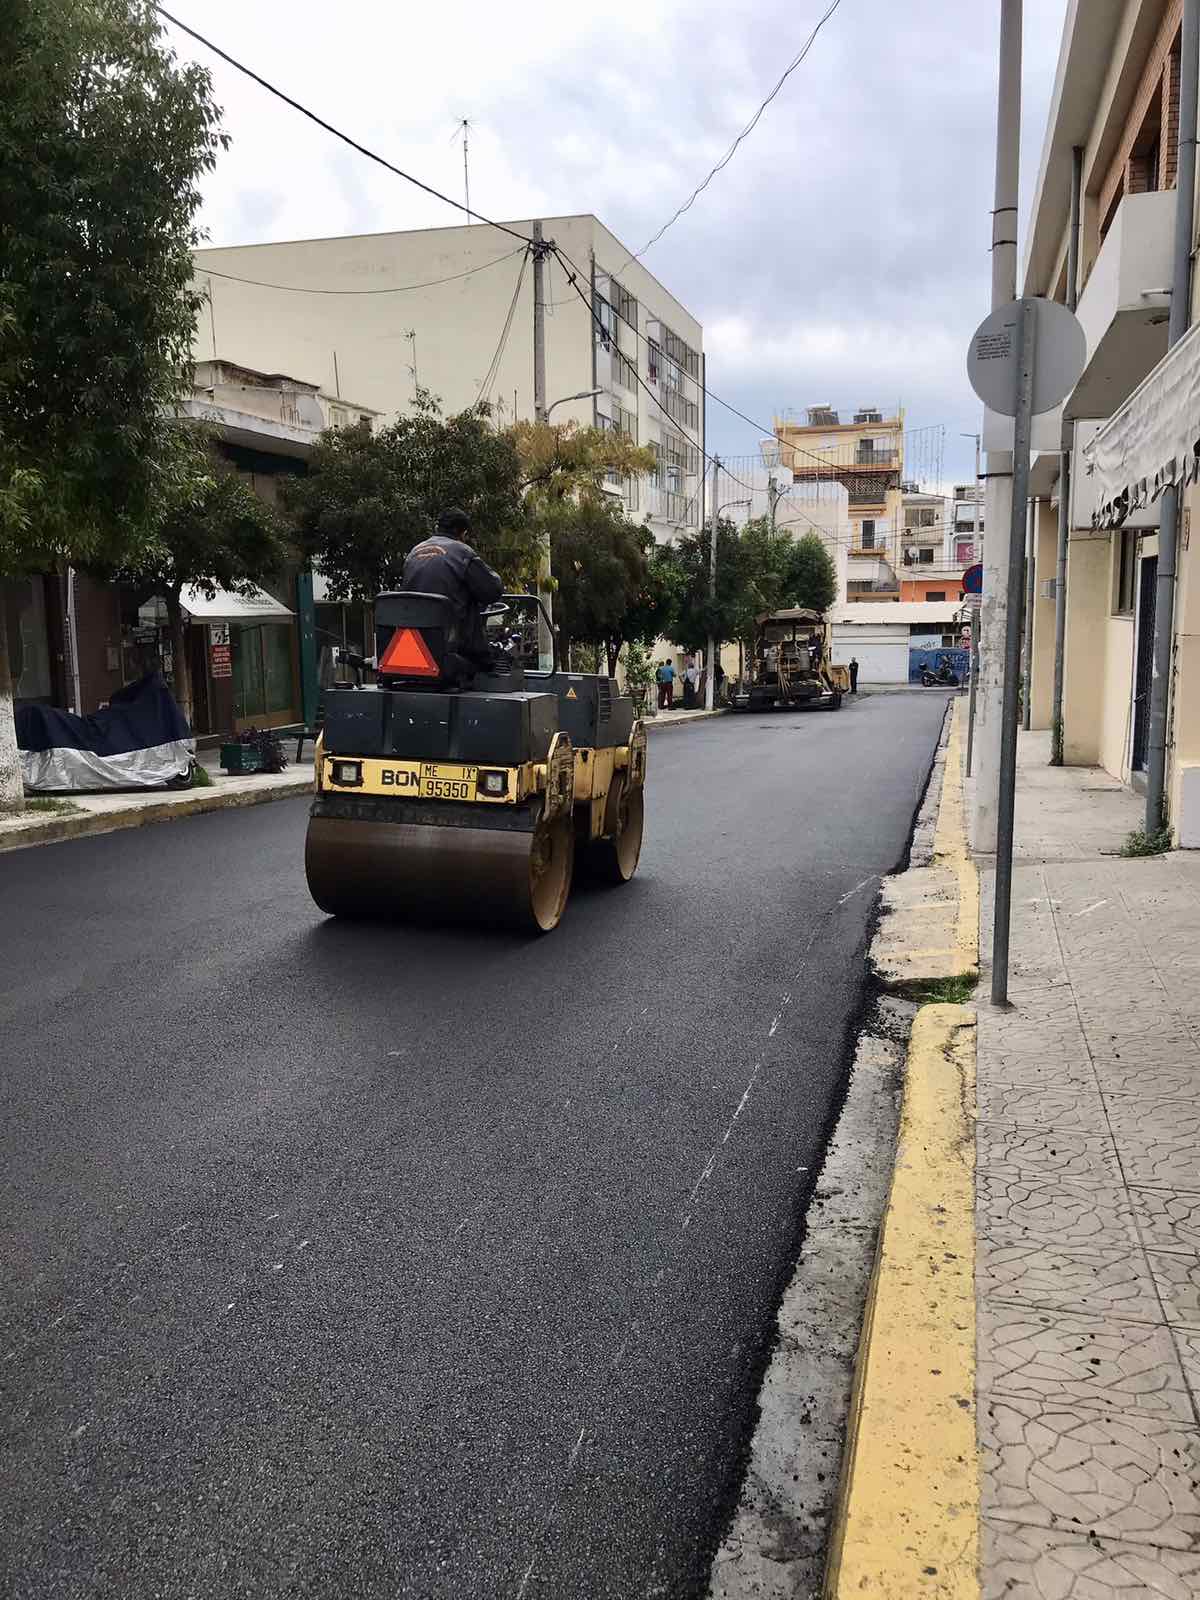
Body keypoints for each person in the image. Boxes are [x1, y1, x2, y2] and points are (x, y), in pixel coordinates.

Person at [401, 509, 504, 668]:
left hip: (413, 640)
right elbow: (492, 591)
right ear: (461, 532)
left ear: (438, 527)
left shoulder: (414, 552)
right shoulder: (463, 552)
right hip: (453, 646)